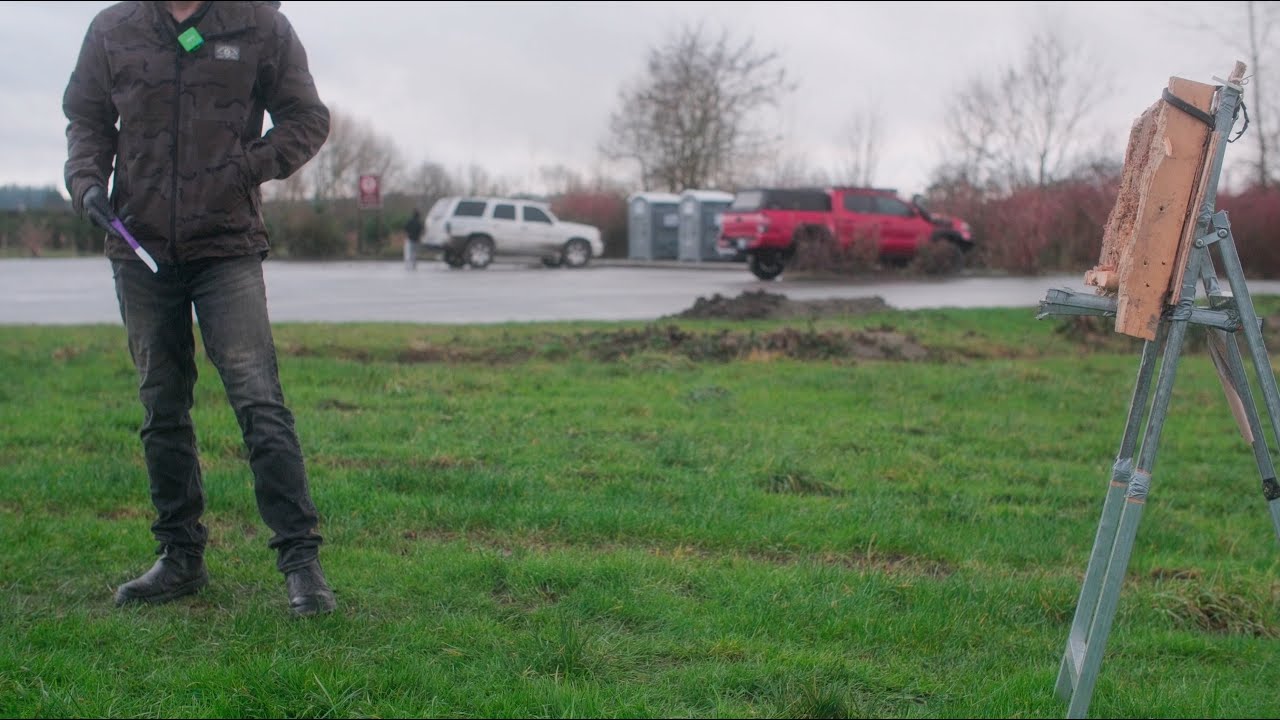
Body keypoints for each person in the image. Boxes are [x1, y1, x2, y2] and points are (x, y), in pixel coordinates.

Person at [63, 0, 336, 616]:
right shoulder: (112, 29)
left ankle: (301, 563)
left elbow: (306, 118)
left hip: (227, 245)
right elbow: (85, 119)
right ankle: (179, 558)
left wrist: (247, 168)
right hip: (138, 246)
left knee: (259, 401)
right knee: (162, 404)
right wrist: (86, 183)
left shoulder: (259, 23)